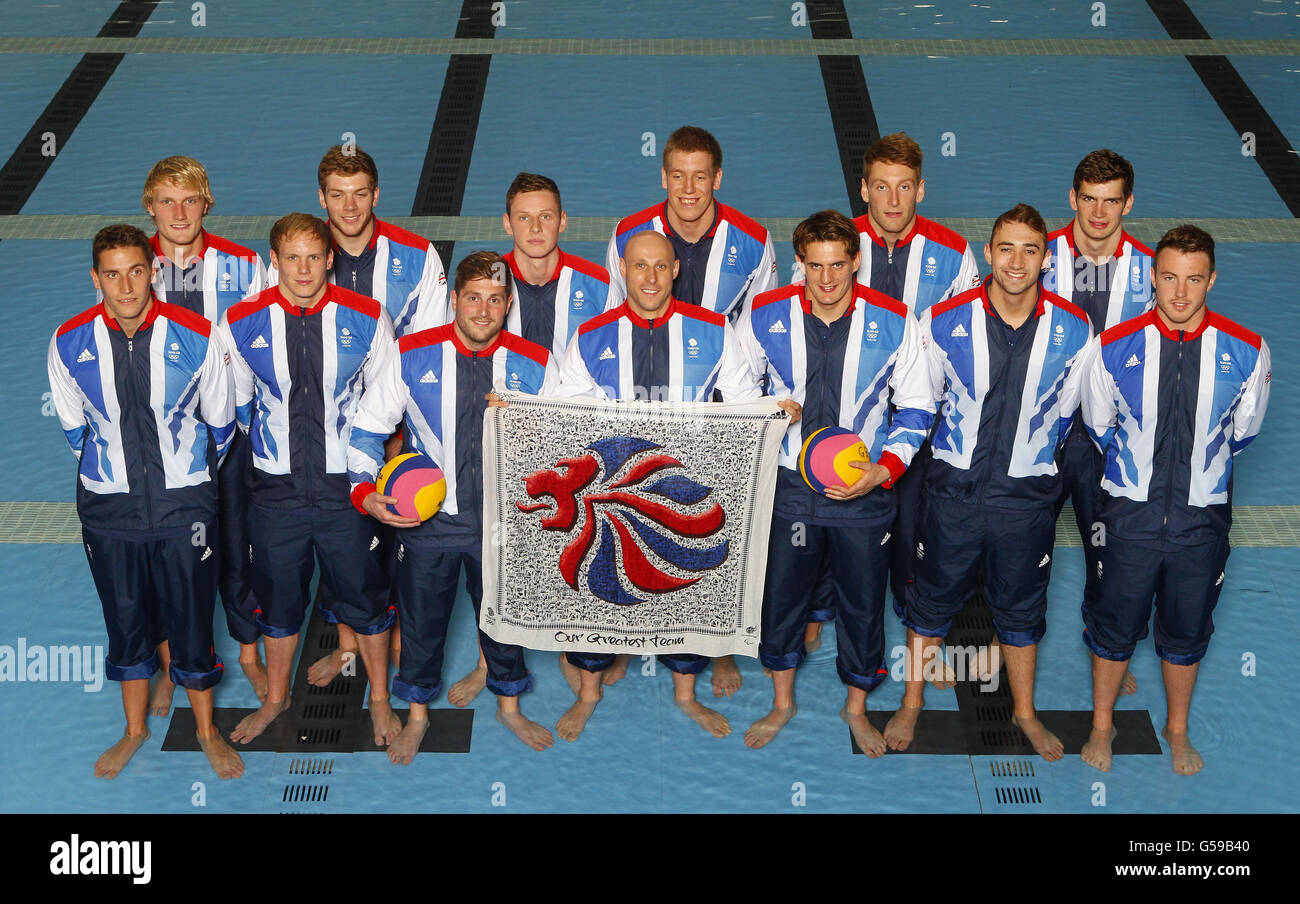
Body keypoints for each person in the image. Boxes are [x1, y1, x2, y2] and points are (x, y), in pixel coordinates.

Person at [884, 205, 1092, 762]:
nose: (1017, 261)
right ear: (988, 254)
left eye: (1030, 250)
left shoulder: (1074, 330)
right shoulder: (943, 322)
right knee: (930, 604)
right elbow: (921, 406)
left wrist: (1035, 466)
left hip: (1025, 502)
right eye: (1006, 248)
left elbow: (1075, 415)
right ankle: (912, 701)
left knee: (1023, 610)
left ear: (1046, 258)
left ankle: (1024, 712)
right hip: (952, 492)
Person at [554, 230, 772, 740]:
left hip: (683, 489)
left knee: (688, 580)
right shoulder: (592, 335)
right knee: (601, 582)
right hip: (614, 494)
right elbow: (563, 413)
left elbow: (743, 399)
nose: (649, 278)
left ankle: (685, 692)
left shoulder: (713, 329)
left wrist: (771, 414)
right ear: (623, 270)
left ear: (675, 269)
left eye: (659, 266)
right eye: (638, 267)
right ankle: (589, 690)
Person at [48, 224, 243, 780]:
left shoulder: (198, 335)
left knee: (192, 621)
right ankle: (133, 730)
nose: (126, 285)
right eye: (112, 274)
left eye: (136, 270)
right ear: (95, 279)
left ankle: (205, 730)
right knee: (126, 619)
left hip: (185, 512)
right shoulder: (68, 341)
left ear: (154, 269)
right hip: (111, 514)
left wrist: (185, 482)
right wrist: (118, 481)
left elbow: (222, 427)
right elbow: (74, 433)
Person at [734, 210, 932, 753]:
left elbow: (916, 407)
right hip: (788, 489)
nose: (826, 279)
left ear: (856, 262)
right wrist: (769, 411)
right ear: (799, 263)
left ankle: (856, 708)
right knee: (782, 596)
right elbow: (734, 391)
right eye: (815, 266)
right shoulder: (764, 315)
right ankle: (782, 701)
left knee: (863, 602)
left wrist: (882, 472)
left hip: (863, 494)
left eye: (838, 265)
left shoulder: (894, 321)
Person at [349, 251, 559, 762]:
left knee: (504, 619)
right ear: (453, 300)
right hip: (428, 525)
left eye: (494, 299)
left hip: (503, 525)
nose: (483, 310)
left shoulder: (534, 362)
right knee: (422, 622)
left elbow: (566, 441)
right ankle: (418, 715)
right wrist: (364, 492)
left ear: (508, 304)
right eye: (472, 298)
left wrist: (527, 422)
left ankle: (509, 707)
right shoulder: (412, 353)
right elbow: (366, 429)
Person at [1077, 225, 1269, 775]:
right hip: (1128, 518)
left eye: (1193, 280)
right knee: (1114, 629)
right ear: (1152, 280)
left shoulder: (1248, 349)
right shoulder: (1113, 348)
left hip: (1200, 523)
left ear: (1212, 279)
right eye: (1168, 278)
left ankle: (1176, 728)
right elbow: (1100, 426)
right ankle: (1100, 724)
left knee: (1187, 632)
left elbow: (1244, 432)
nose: (1180, 294)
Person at [605, 124, 778, 695]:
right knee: (632, 526)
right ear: (663, 176)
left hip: (715, 407)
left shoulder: (753, 240)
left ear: (717, 179)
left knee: (710, 532)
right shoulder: (630, 234)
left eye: (700, 177)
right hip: (644, 402)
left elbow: (759, 326)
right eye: (677, 175)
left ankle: (716, 646)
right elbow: (614, 316)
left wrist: (749, 412)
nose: (688, 188)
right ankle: (627, 638)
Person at [218, 213, 400, 749]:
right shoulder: (241, 321)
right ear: (273, 260)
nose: (303, 269)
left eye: (314, 257)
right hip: (275, 492)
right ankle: (276, 698)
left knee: (364, 597)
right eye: (291, 258)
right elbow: (234, 404)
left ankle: (381, 701)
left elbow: (383, 407)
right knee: (277, 600)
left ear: (330, 259)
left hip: (346, 487)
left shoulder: (367, 317)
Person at [308, 144, 450, 689]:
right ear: (322, 197)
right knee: (341, 538)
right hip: (324, 428)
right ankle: (348, 646)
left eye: (360, 194)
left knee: (400, 533)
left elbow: (430, 345)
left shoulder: (416, 257)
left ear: (376, 194)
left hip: (398, 425)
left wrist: (394, 431)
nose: (349, 207)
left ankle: (391, 640)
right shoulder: (305, 254)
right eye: (338, 196)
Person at [141, 156, 270, 711]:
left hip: (234, 431)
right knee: (171, 551)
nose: (178, 212)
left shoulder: (243, 266)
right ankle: (174, 659)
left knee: (239, 542)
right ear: (150, 207)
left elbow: (265, 342)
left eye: (189, 199)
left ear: (206, 203)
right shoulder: (132, 266)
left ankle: (246, 648)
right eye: (167, 201)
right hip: (163, 442)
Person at [848, 132, 983, 656]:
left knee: (915, 533)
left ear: (921, 189)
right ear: (864, 189)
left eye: (904, 187)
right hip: (850, 418)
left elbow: (969, 340)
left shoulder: (952, 254)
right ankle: (818, 611)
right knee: (835, 520)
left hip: (923, 420)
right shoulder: (839, 245)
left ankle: (915, 624)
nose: (893, 200)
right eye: (882, 187)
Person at [1041, 150, 1155, 697]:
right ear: (1073, 198)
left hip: (1110, 436)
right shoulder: (1039, 257)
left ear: (1128, 203)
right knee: (1014, 536)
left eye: (1112, 201)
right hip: (1042, 425)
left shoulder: (1154, 270)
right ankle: (1002, 636)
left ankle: (1104, 643)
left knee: (1105, 544)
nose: (1100, 213)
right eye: (1089, 199)